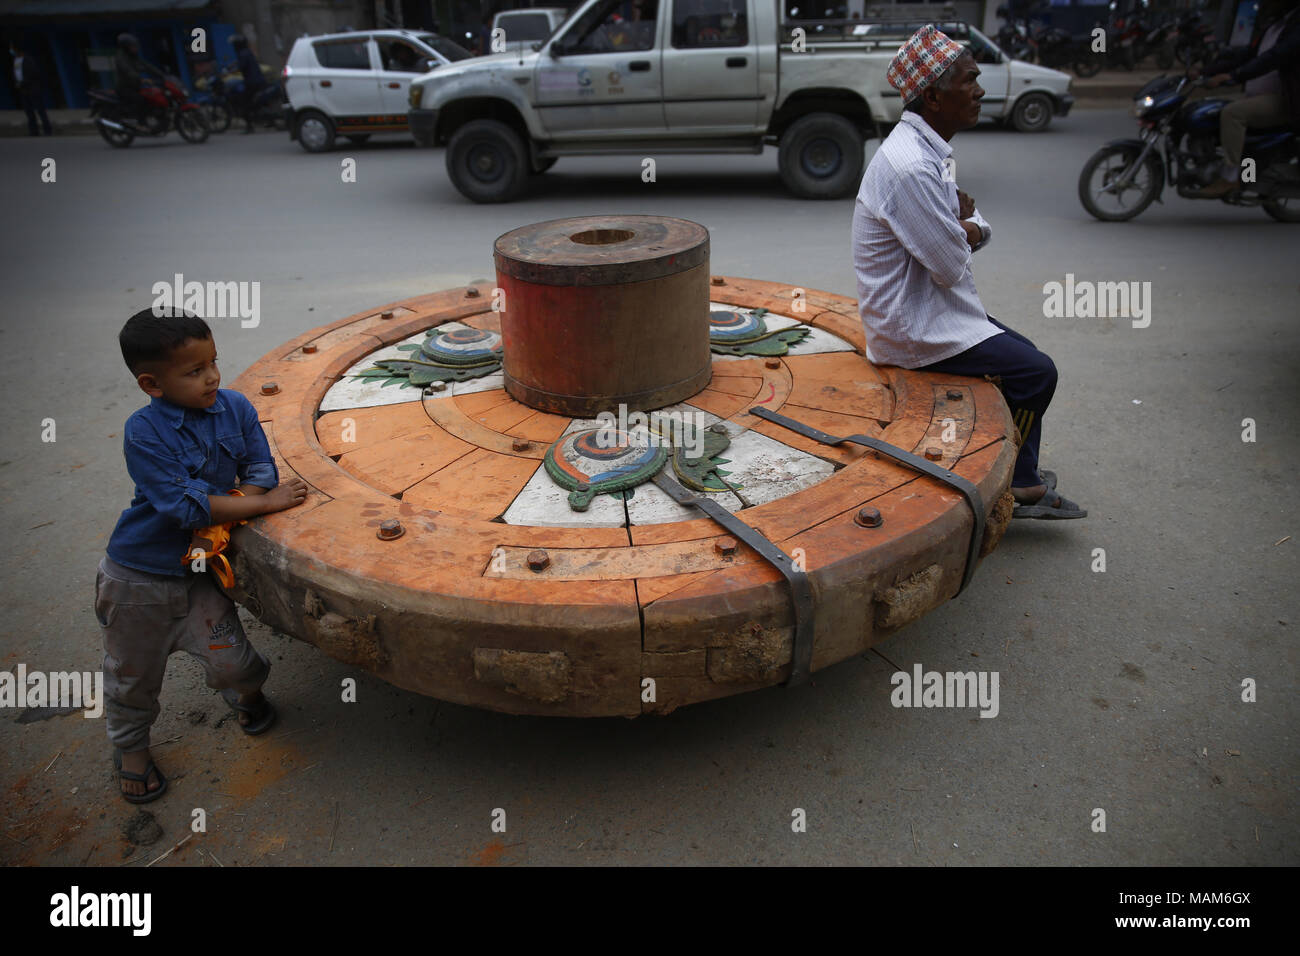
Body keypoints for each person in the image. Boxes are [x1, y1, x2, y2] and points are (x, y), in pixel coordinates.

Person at [852, 25, 1086, 520]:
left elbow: (957, 233)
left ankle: (1013, 465)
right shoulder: (911, 166)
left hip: (932, 312)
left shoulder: (928, 151)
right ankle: (1018, 482)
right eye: (969, 81)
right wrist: (971, 227)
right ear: (934, 95)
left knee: (1025, 358)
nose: (980, 91)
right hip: (912, 329)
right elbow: (951, 262)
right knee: (1036, 372)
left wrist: (964, 225)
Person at [98, 308, 309, 802]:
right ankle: (132, 751)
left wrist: (241, 501)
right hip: (137, 579)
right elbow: (182, 503)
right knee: (133, 677)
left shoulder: (234, 407)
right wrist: (259, 504)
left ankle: (247, 696)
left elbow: (260, 466)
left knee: (234, 662)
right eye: (193, 371)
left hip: (196, 573)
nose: (212, 376)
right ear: (151, 384)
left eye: (213, 361)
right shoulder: (144, 433)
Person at [1193, 0, 1300, 199]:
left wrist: (1235, 76)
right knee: (1211, 111)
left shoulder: (1295, 27)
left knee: (1233, 113)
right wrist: (1204, 71)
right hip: (1260, 96)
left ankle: (1230, 178)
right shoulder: (1275, 25)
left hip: (1286, 99)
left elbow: (1273, 58)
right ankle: (1246, 176)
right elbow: (1248, 55)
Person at [113, 33, 164, 124]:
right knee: (140, 100)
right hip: (124, 87)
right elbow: (128, 71)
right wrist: (141, 79)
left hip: (135, 86)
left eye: (136, 46)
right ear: (126, 47)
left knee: (151, 96)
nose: (136, 48)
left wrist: (162, 75)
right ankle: (140, 123)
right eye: (133, 46)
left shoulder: (134, 57)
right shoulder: (121, 58)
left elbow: (147, 66)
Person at [10, 39, 52, 136]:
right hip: (23, 90)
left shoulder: (28, 60)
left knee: (40, 110)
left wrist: (23, 83)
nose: (11, 50)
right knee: (29, 112)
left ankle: (47, 130)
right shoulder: (16, 60)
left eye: (12, 48)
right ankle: (34, 131)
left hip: (33, 89)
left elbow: (33, 74)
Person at [229, 34, 268, 133]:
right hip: (257, 80)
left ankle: (249, 126)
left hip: (252, 82)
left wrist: (231, 70)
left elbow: (241, 66)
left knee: (244, 103)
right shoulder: (246, 52)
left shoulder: (243, 54)